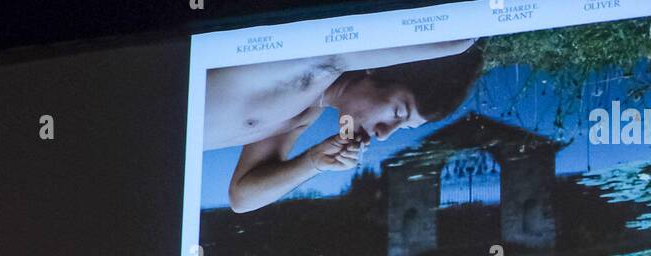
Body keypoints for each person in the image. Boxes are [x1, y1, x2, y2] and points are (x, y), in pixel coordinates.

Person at [202, 39, 484, 212]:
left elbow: (242, 196)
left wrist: (314, 161)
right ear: (377, 66)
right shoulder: (312, 68)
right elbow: (456, 42)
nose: (384, 134)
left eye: (403, 127)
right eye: (398, 112)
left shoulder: (304, 112)